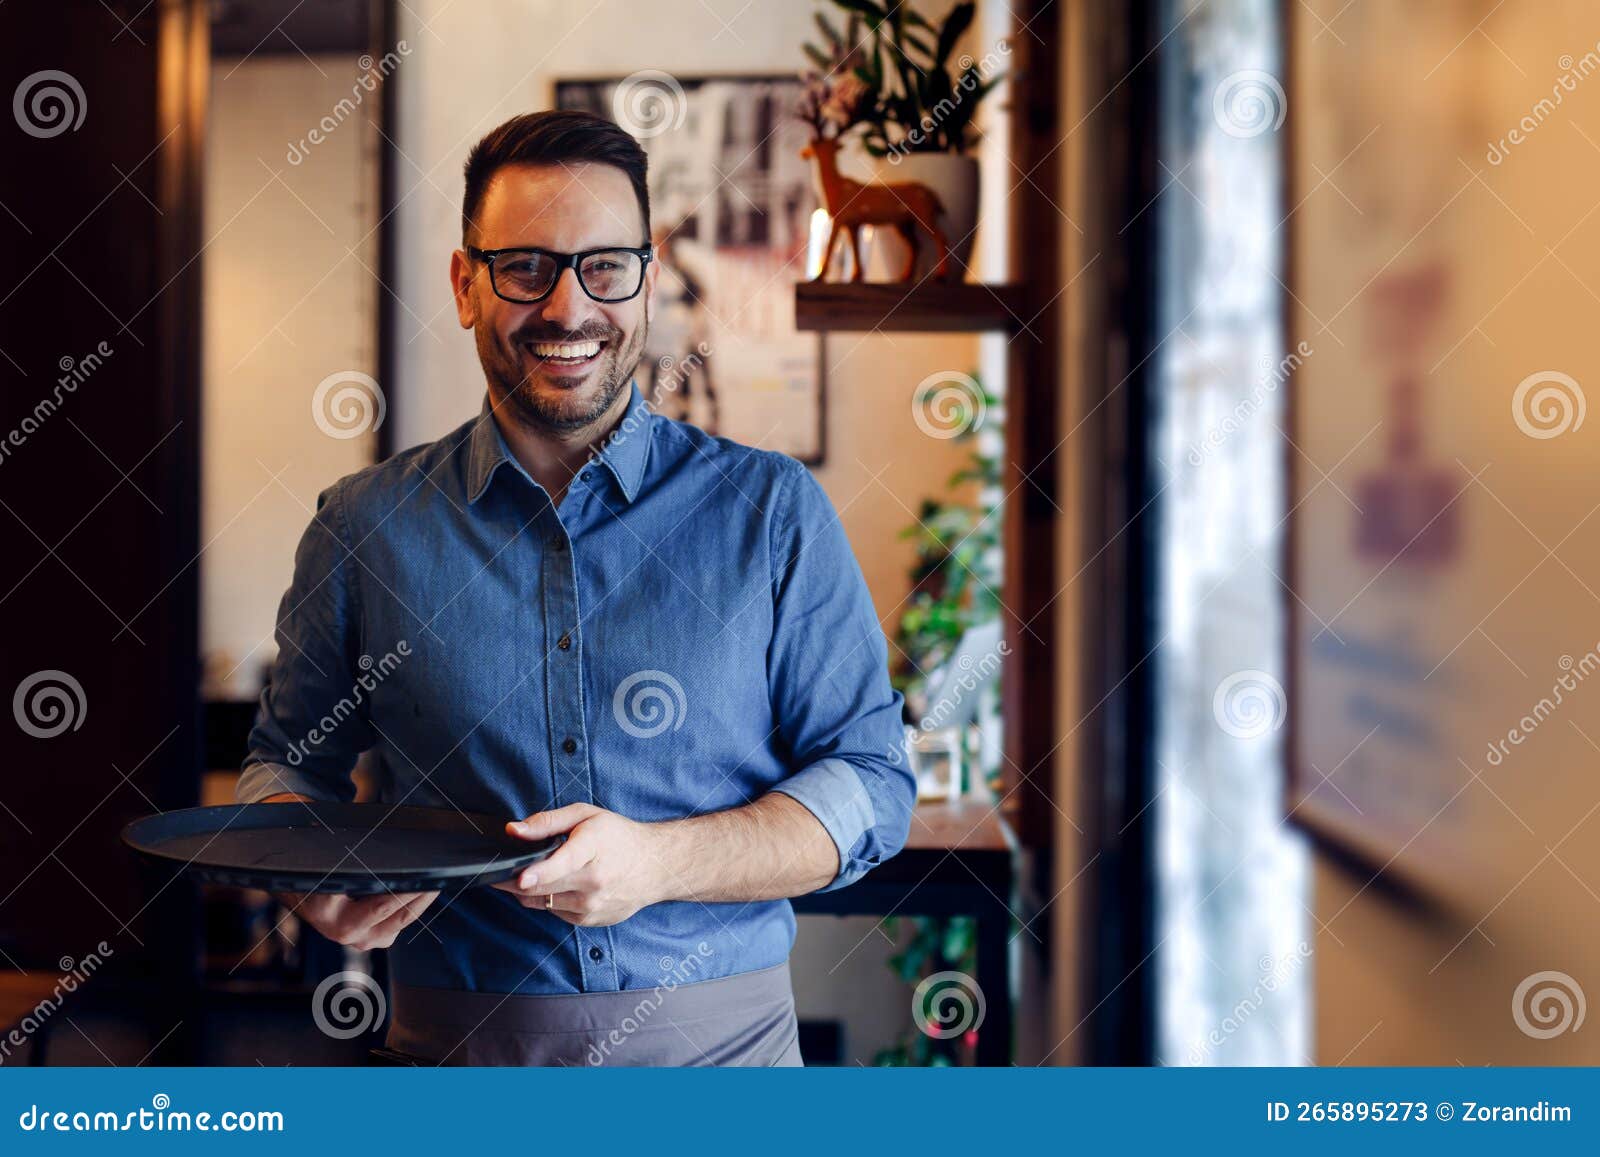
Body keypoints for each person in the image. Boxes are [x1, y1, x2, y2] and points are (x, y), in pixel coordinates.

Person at [237, 109, 915, 1066]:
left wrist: (660, 862)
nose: (568, 309)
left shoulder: (770, 510)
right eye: (525, 267)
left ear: (643, 280)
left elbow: (873, 787)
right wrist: (308, 869)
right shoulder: (362, 526)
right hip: (456, 1066)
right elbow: (282, 766)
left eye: (605, 266)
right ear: (466, 285)